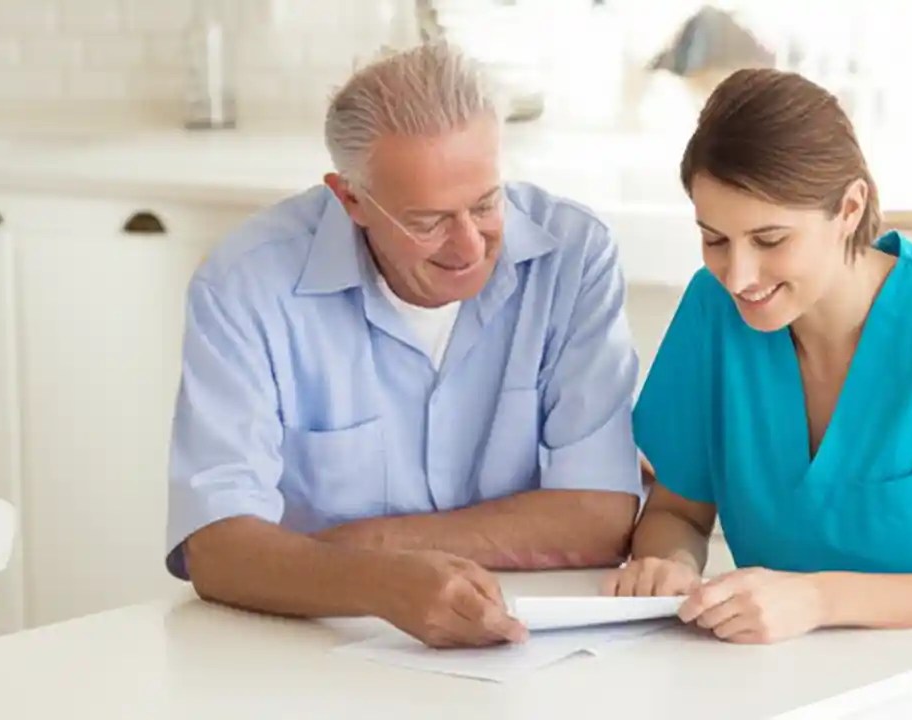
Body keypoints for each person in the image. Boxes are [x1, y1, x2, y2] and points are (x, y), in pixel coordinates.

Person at [607, 68, 912, 718]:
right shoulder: (714, 312)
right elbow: (679, 511)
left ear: (850, 209)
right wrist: (668, 563)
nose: (739, 275)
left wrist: (819, 599)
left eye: (770, 240)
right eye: (714, 239)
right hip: (803, 692)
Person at [166, 42, 643, 648]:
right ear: (351, 200)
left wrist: (361, 551)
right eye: (428, 221)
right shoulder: (245, 285)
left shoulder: (574, 258)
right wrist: (378, 586)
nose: (469, 245)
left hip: (527, 642)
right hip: (306, 646)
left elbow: (598, 518)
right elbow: (217, 548)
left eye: (486, 203)